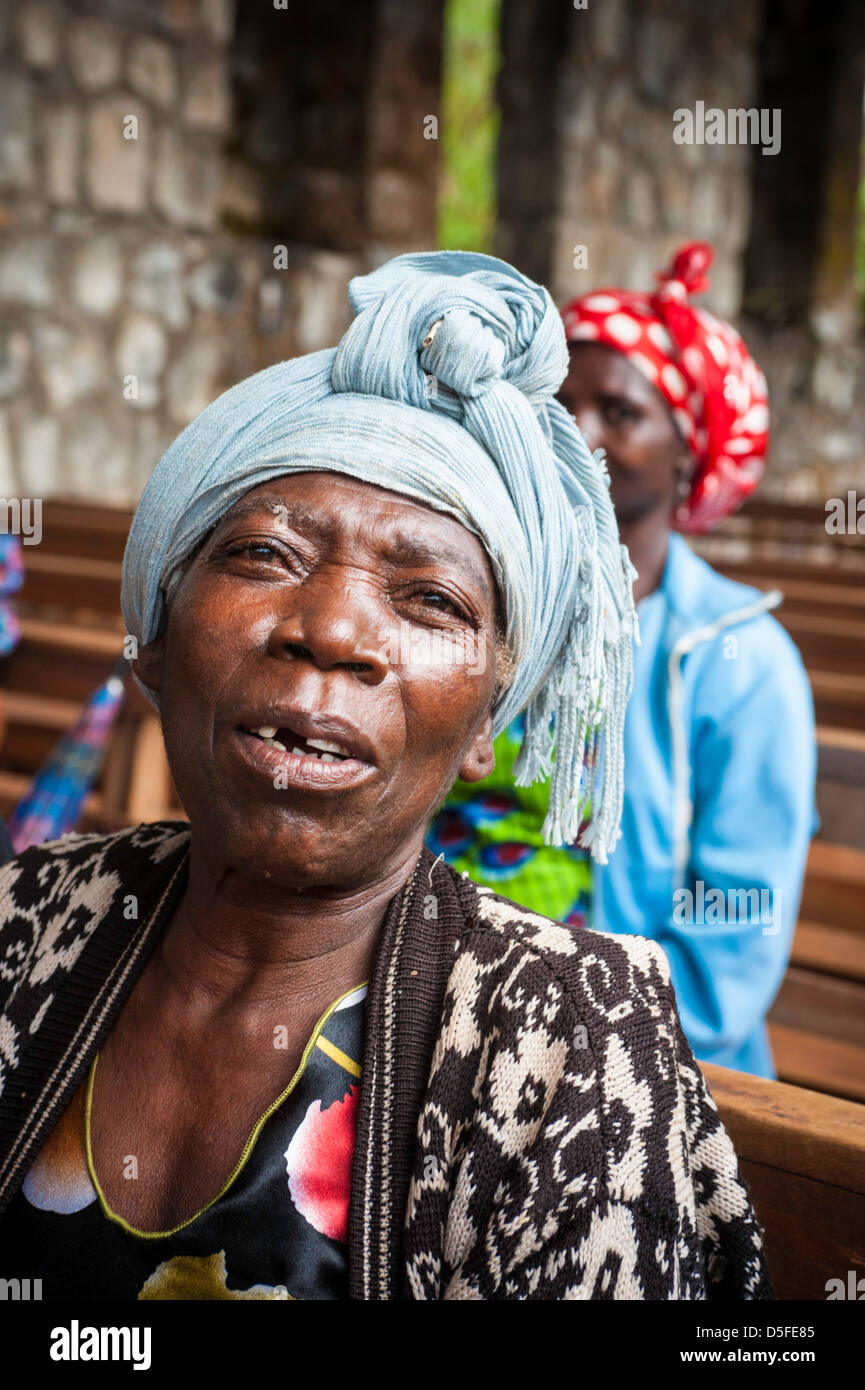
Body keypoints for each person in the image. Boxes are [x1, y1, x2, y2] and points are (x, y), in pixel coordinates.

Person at [0, 251, 772, 1301]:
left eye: (430, 600)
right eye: (265, 554)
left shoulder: (574, 1051)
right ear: (154, 641)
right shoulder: (26, 918)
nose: (330, 631)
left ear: (488, 728)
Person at [428, 243, 817, 1080]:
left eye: (618, 411)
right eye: (559, 403)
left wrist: (569, 1057)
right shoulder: (481, 600)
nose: (577, 431)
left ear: (687, 449)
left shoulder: (740, 663)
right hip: (429, 1007)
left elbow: (730, 938)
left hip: (633, 1066)